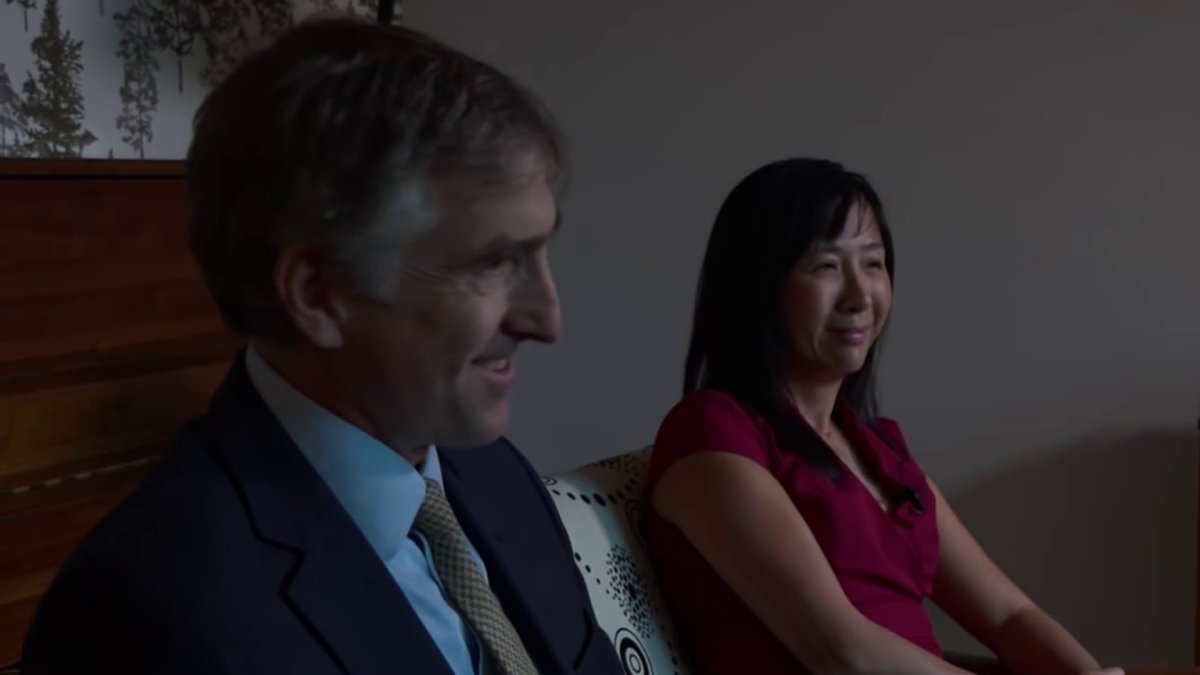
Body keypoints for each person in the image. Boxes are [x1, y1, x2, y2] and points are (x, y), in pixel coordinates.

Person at [22, 18, 622, 675]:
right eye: (494, 262)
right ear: (319, 293)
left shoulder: (497, 476)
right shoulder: (146, 610)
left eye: (539, 251)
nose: (547, 319)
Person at [644, 158, 1122, 675]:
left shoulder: (878, 449)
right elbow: (842, 652)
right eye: (826, 267)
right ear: (756, 286)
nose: (859, 297)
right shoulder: (711, 433)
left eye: (873, 264)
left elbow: (1008, 615)